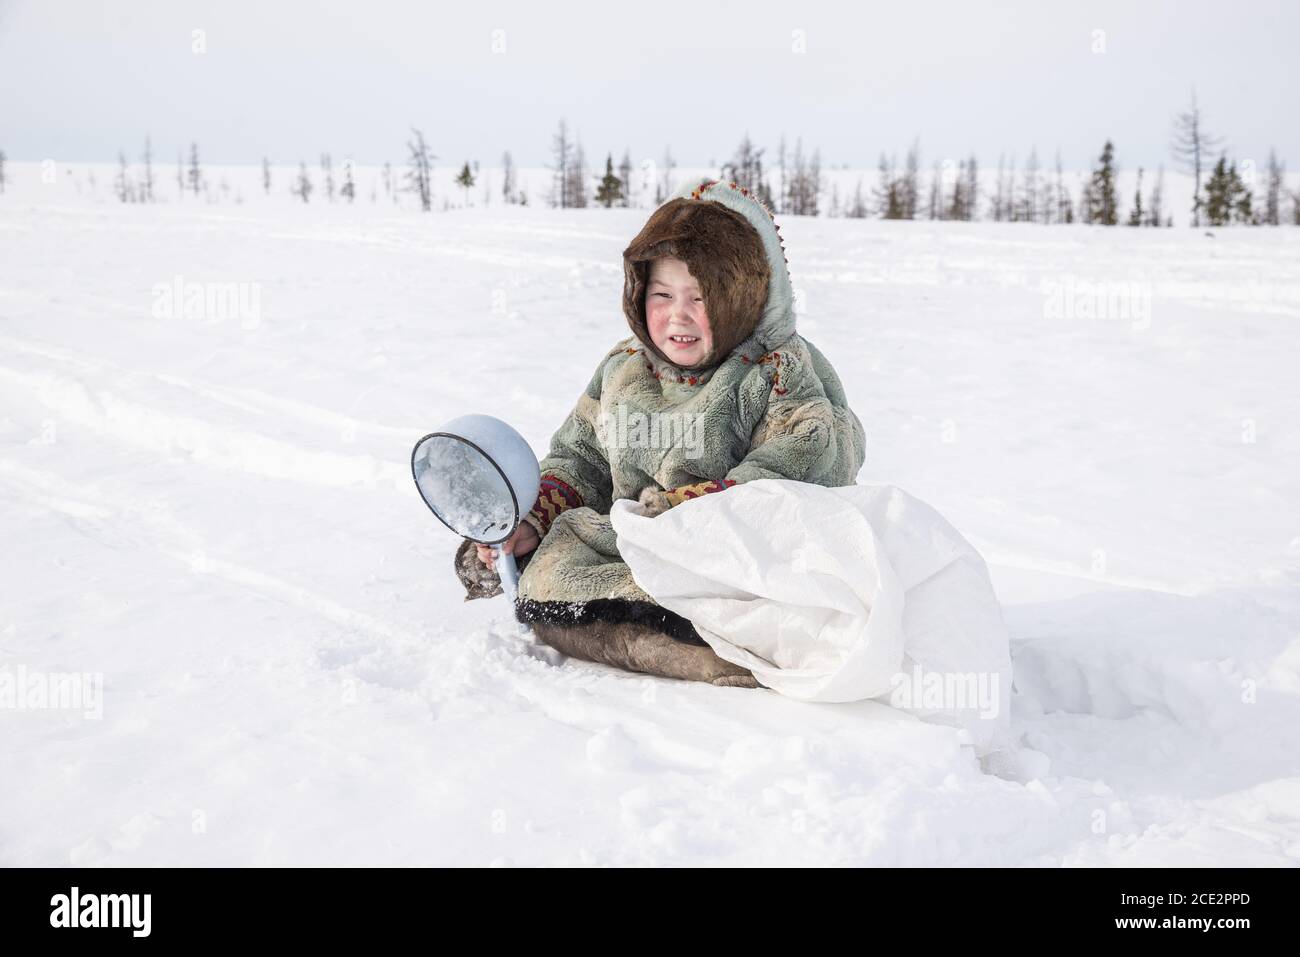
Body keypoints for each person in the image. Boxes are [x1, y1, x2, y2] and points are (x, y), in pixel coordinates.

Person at [455, 177, 865, 686]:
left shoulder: (772, 371)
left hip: (730, 559)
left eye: (701, 297)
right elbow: (579, 459)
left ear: (738, 296)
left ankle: (727, 646)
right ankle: (664, 636)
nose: (678, 315)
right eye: (662, 294)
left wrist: (683, 512)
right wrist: (533, 521)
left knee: (765, 603)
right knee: (558, 565)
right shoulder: (623, 369)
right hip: (636, 554)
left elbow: (800, 465)